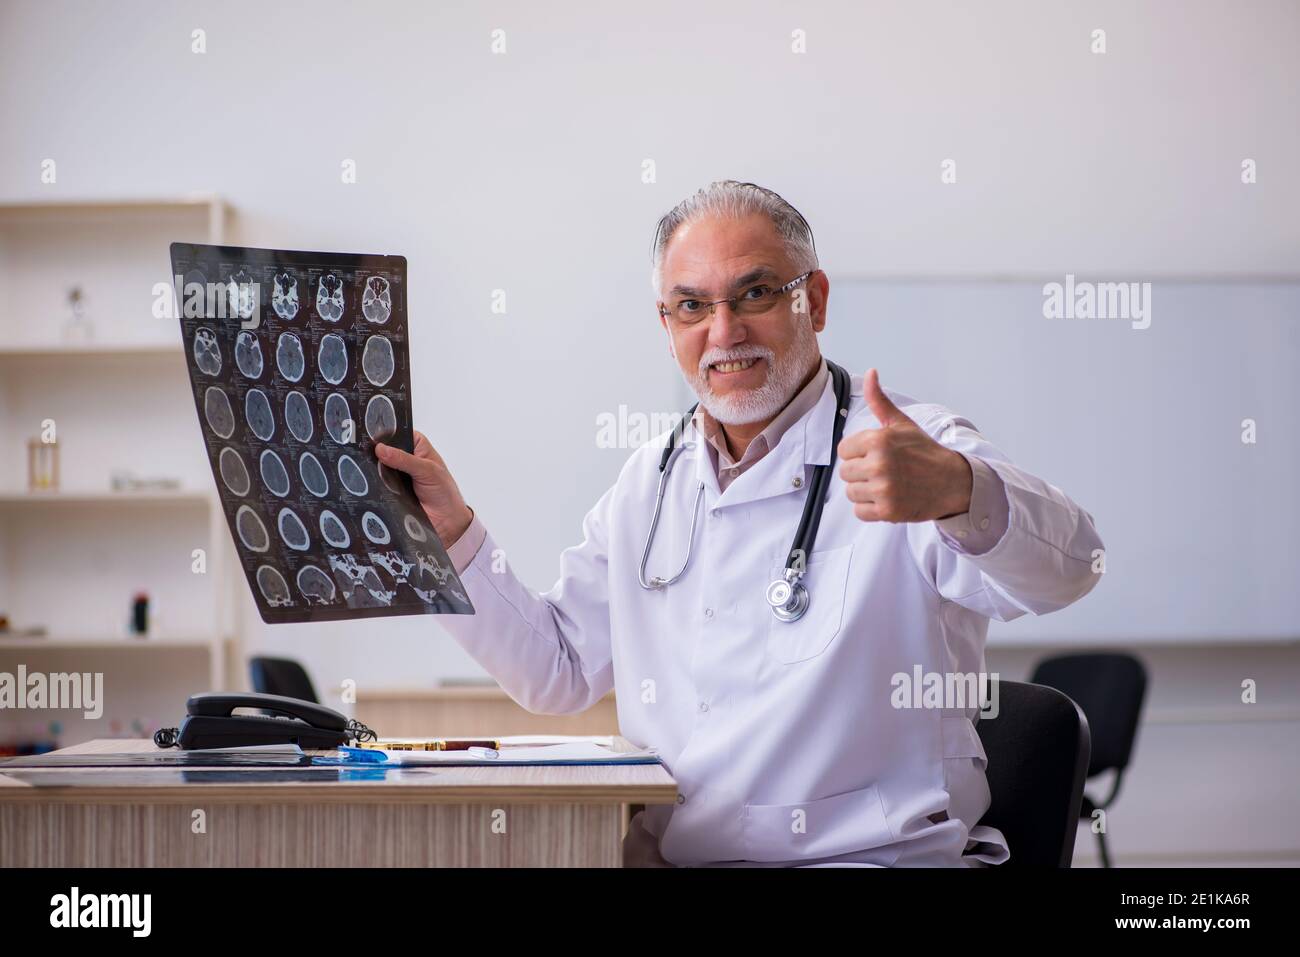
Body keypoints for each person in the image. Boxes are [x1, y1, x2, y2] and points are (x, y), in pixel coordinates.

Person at [377, 180, 1104, 866]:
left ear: (813, 301)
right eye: (691, 305)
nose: (724, 331)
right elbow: (557, 672)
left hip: (866, 858)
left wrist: (959, 489)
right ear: (667, 326)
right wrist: (453, 538)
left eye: (754, 293)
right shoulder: (650, 482)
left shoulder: (908, 452)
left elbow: (1072, 564)